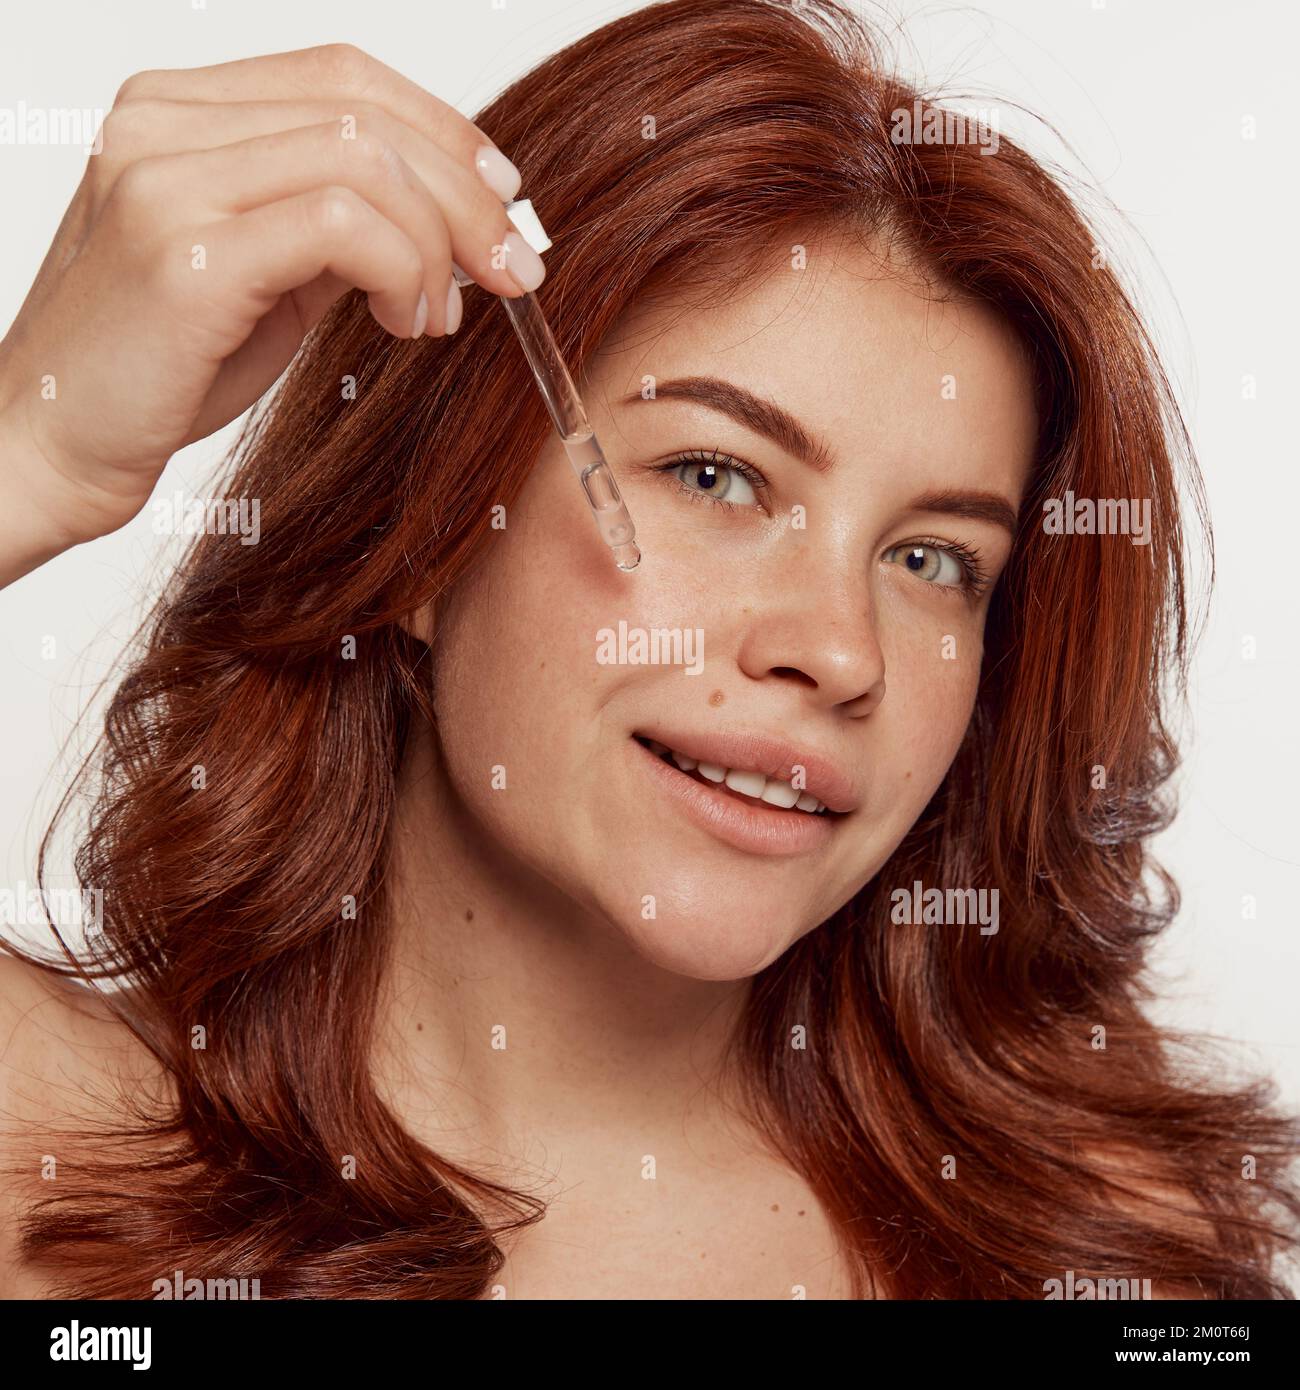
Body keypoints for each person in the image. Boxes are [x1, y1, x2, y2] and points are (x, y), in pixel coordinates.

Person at [1, 0, 1296, 1300]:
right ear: (429, 534)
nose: (840, 651)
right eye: (717, 475)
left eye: (933, 559)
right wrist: (31, 454)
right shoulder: (53, 1158)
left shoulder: (1125, 1255)